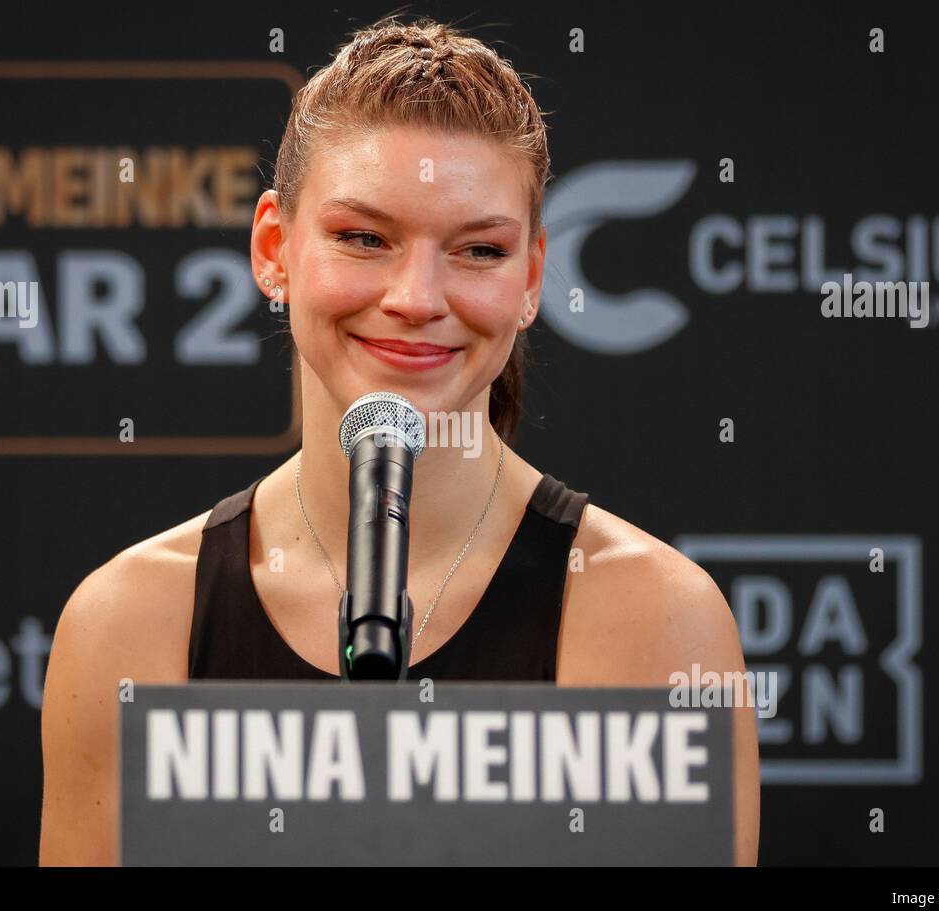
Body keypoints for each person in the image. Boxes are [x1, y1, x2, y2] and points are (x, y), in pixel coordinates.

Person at [39, 14, 759, 866]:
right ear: (274, 249)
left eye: (478, 250)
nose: (417, 296)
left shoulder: (652, 620)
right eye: (364, 238)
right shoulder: (129, 622)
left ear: (531, 278)